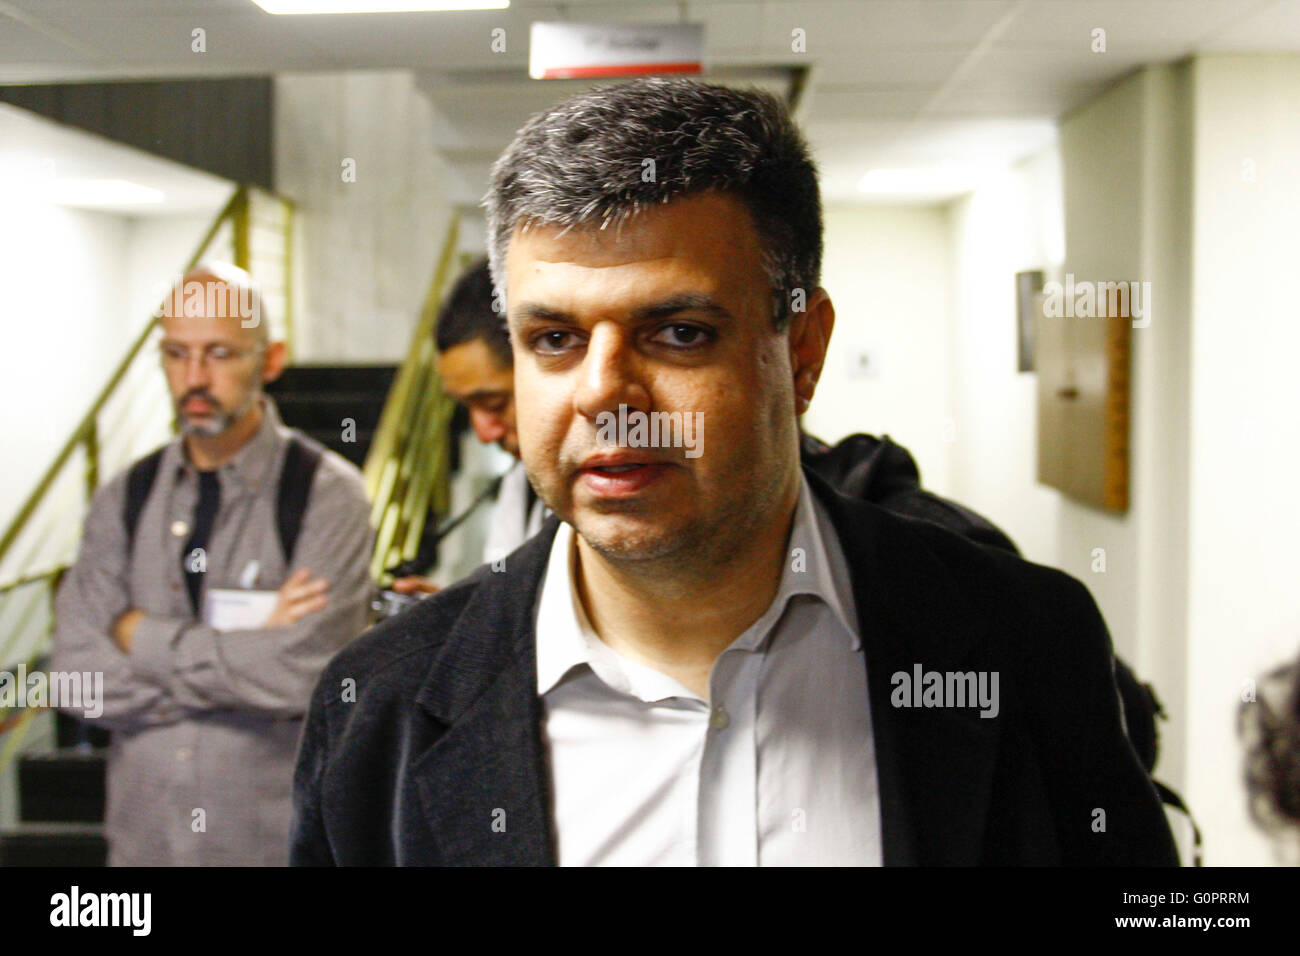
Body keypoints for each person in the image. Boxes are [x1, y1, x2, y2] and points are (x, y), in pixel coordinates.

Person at [291, 78, 1178, 866]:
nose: (602, 393)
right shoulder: (380, 710)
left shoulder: (1026, 640)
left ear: (802, 350)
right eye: (554, 338)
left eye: (679, 332)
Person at [53, 263, 373, 866]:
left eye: (220, 354)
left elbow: (307, 674)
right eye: (176, 354)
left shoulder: (327, 494)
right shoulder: (123, 497)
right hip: (143, 851)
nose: (195, 378)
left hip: (272, 849)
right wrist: (243, 660)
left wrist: (140, 638)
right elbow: (75, 678)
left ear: (270, 360)